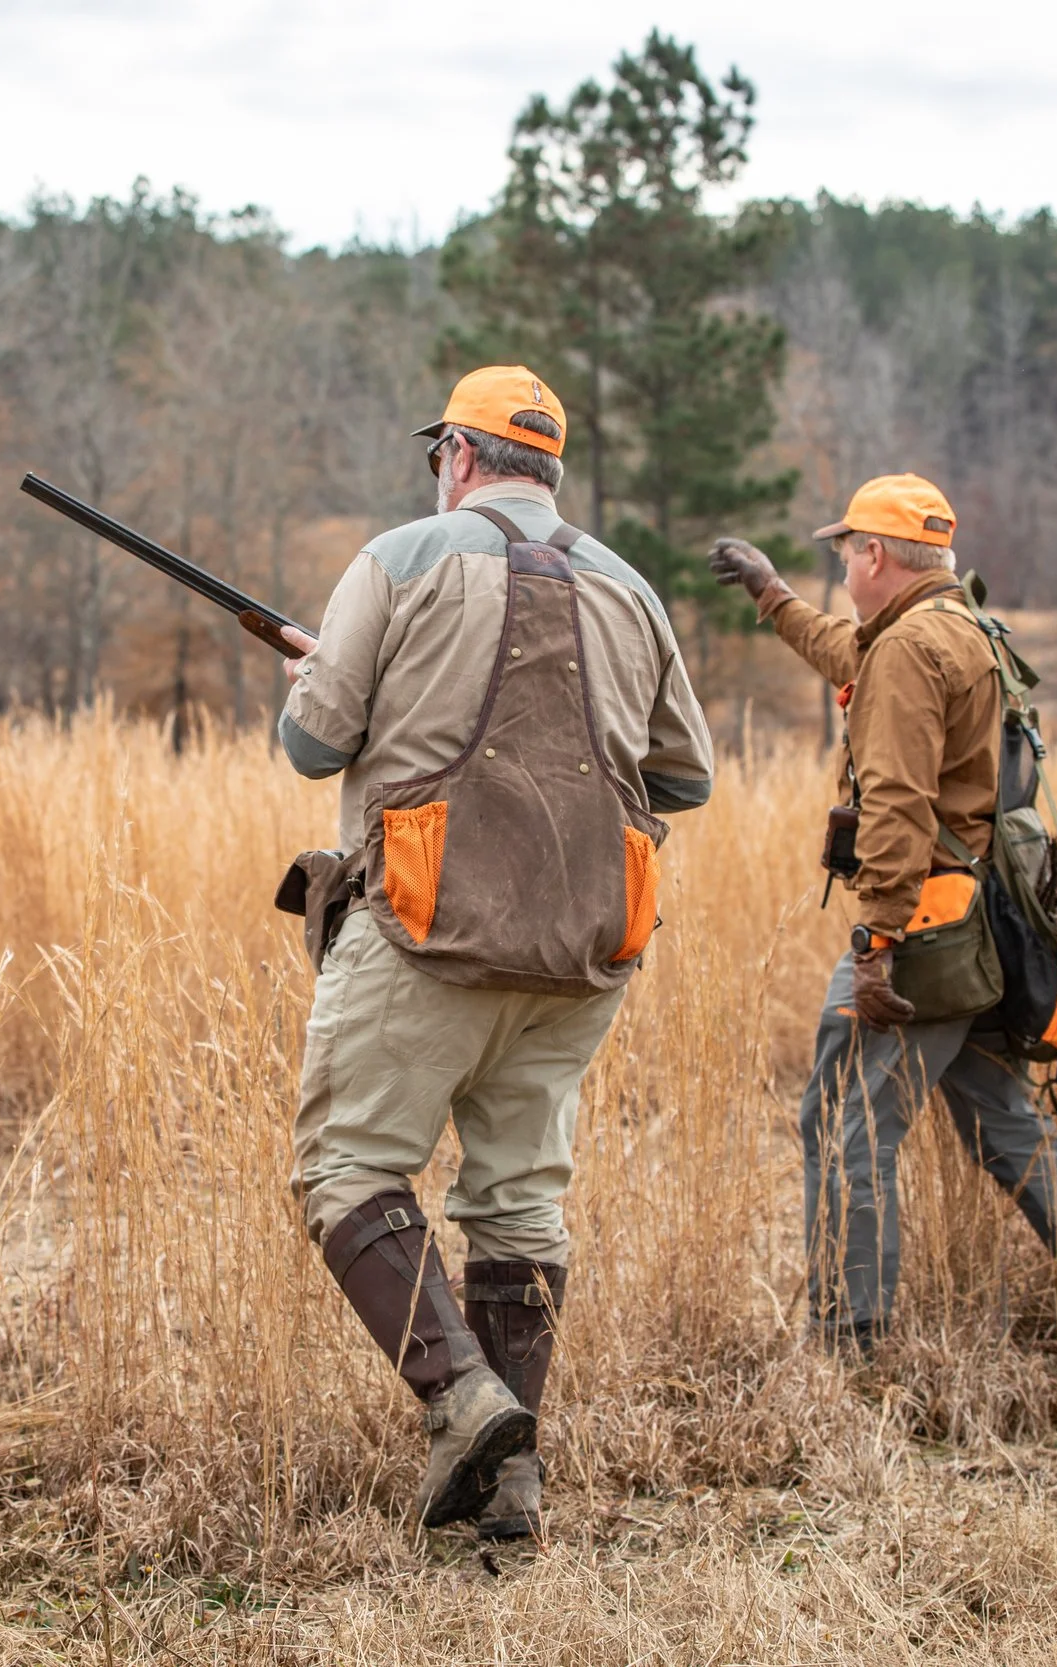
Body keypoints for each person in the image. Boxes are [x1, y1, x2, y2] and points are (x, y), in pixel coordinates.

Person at [273, 365, 714, 1537]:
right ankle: (511, 1490)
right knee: (518, 1207)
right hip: (582, 953)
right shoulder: (629, 587)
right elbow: (688, 776)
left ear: (457, 458)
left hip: (427, 932)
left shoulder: (401, 558)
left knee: (347, 1171)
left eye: (440, 457)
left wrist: (330, 675)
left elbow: (313, 742)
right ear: (545, 469)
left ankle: (462, 1399)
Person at [709, 475, 1057, 1362]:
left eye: (846, 554)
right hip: (998, 931)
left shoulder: (911, 652)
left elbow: (895, 808)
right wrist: (774, 597)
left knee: (844, 1123)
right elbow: (856, 657)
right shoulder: (963, 629)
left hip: (930, 935)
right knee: (1012, 1129)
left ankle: (849, 1344)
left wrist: (875, 950)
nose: (844, 570)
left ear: (876, 556)